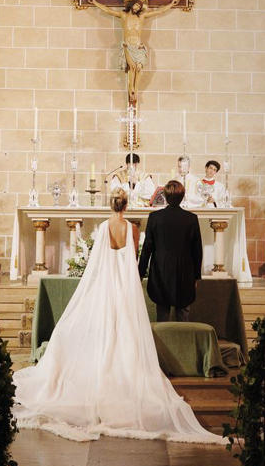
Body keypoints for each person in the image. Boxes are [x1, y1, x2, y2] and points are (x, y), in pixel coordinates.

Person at [12, 189, 223, 443]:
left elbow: (98, 260)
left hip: (104, 281)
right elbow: (132, 257)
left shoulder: (102, 228)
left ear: (111, 204)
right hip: (124, 282)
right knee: (126, 325)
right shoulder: (132, 229)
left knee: (104, 322)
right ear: (125, 205)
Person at [138, 179, 203, 322]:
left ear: (165, 196)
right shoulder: (191, 218)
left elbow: (147, 248)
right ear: (182, 196)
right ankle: (183, 343)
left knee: (162, 313)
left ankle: (162, 343)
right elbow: (197, 250)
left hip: (161, 272)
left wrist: (140, 273)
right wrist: (196, 276)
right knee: (183, 314)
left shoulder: (155, 217)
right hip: (185, 272)